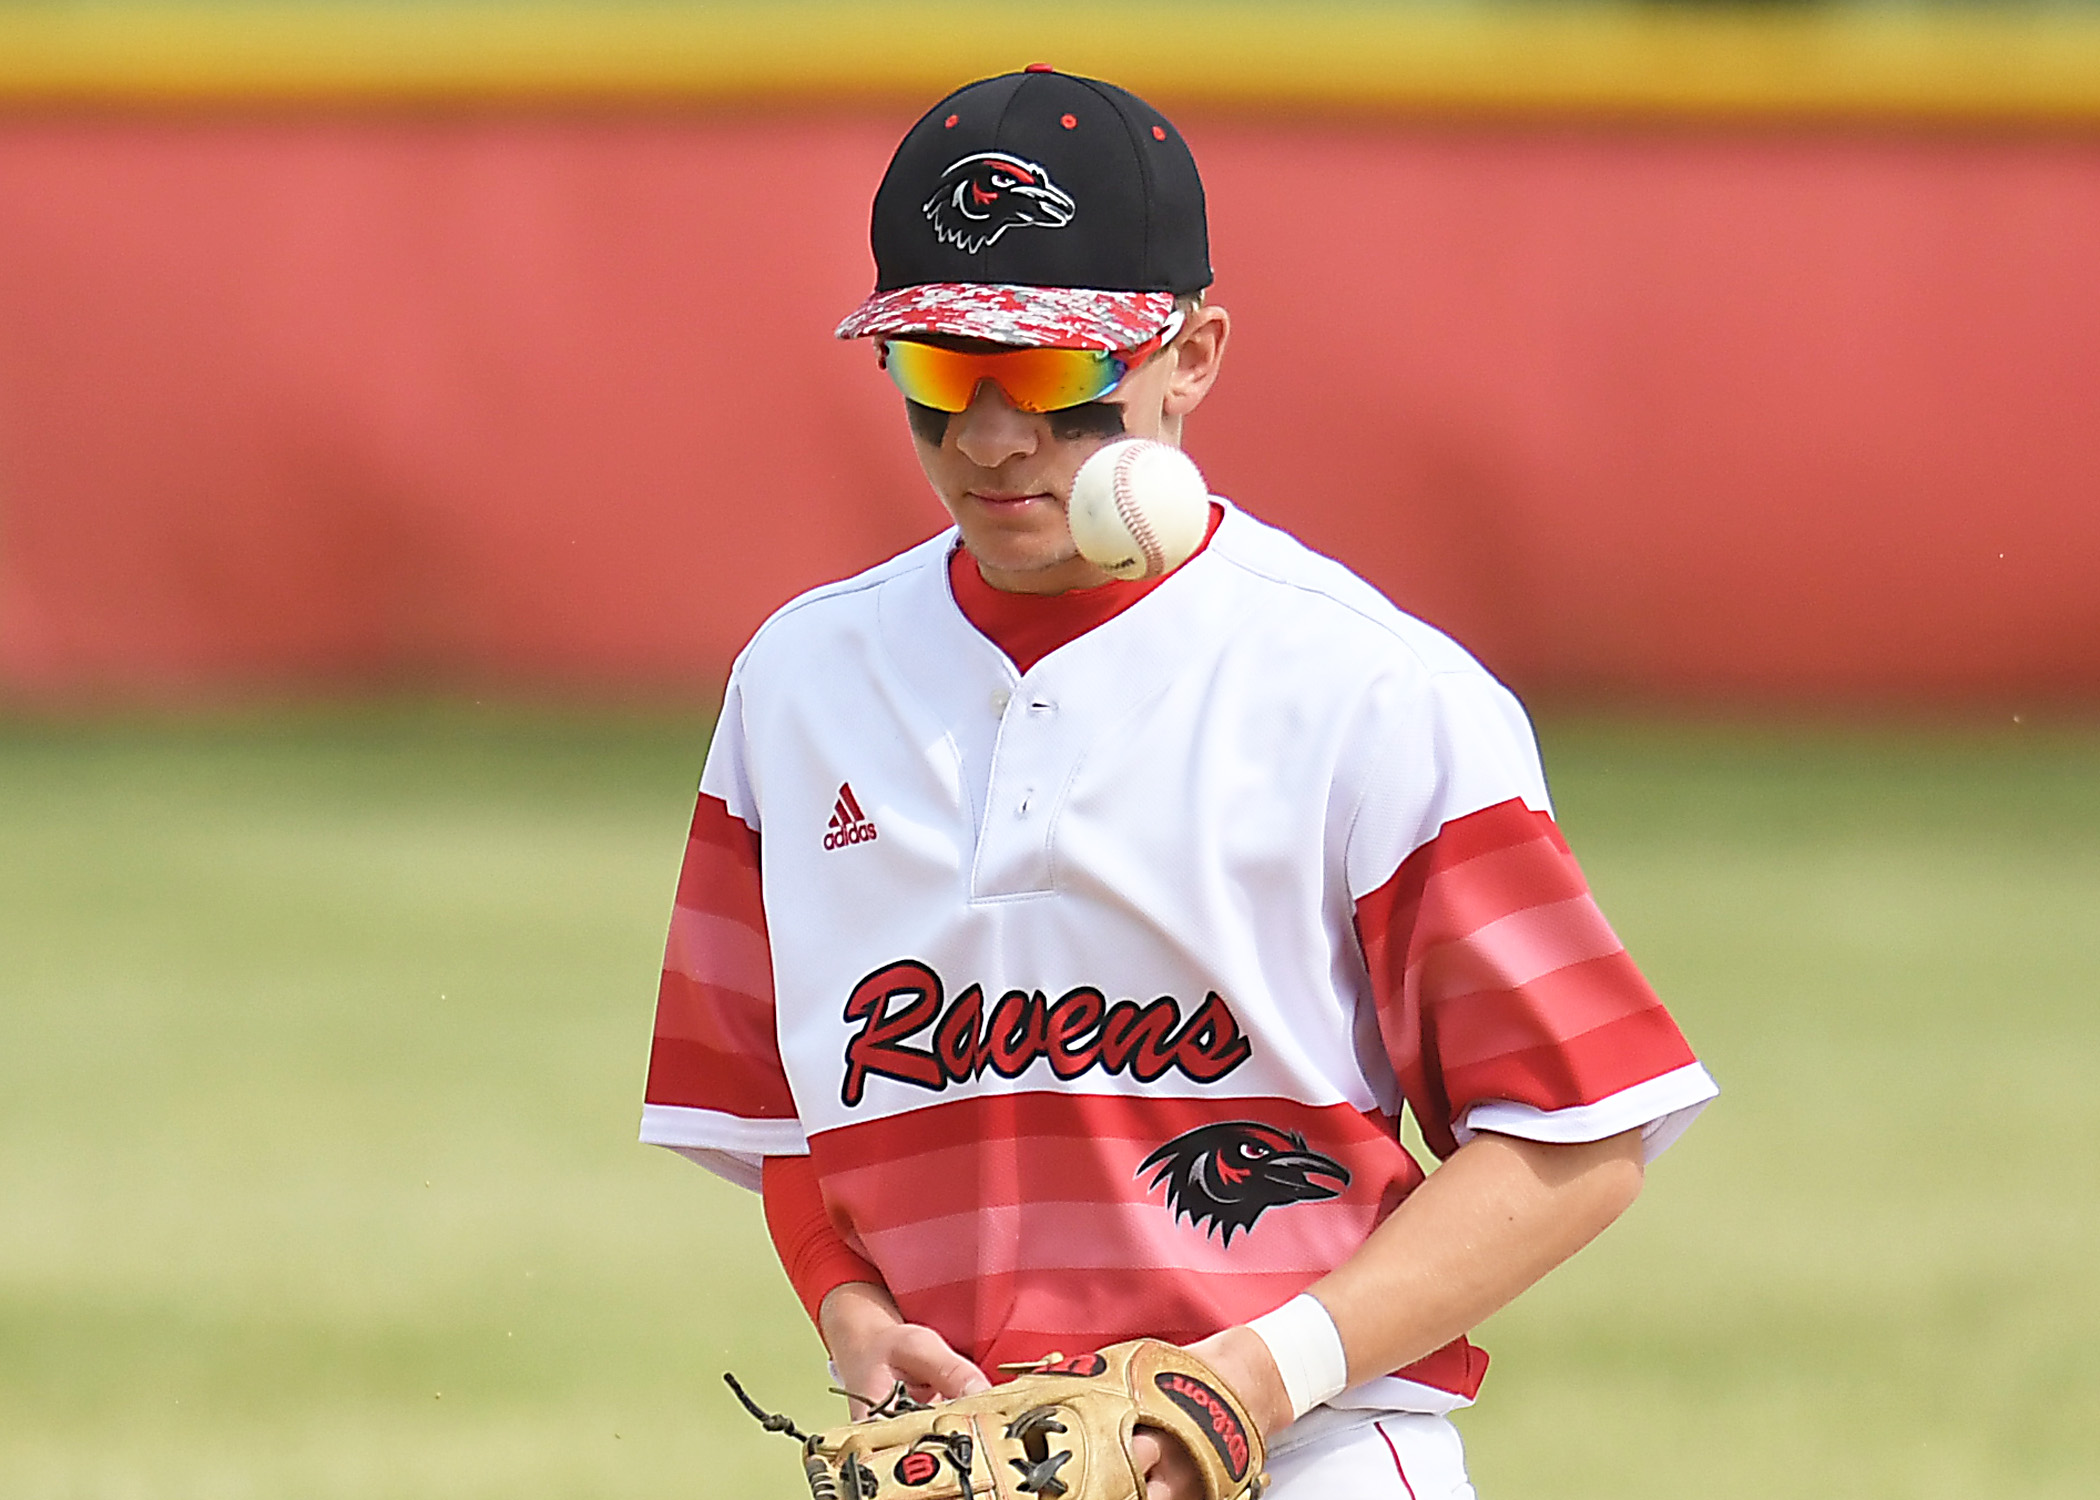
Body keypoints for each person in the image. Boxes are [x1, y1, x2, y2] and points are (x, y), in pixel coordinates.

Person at [640, 67, 1716, 1499]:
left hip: (1314, 1455)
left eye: (1050, 373)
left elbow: (1580, 1133)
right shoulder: (800, 685)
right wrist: (847, 1302)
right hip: (964, 1470)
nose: (992, 436)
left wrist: (1255, 1384)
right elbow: (782, 1109)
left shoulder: (1366, 691)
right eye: (944, 369)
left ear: (1193, 355)